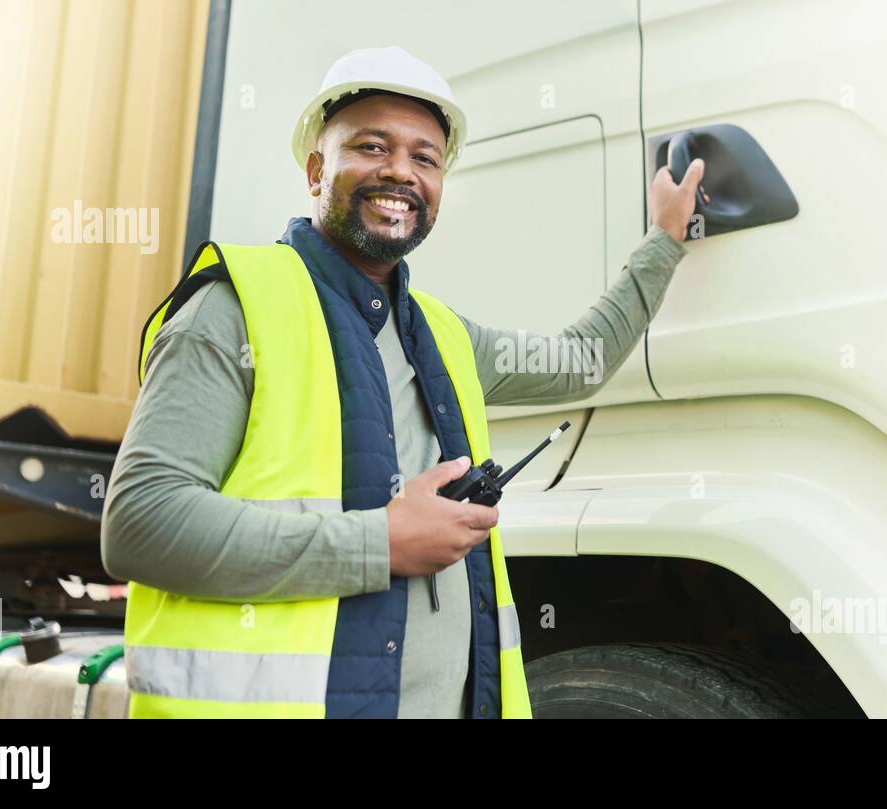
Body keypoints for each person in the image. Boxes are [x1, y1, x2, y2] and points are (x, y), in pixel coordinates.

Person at [100, 45, 704, 718]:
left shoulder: (444, 335)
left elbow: (581, 359)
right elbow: (140, 523)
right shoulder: (235, 306)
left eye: (425, 158)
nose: (400, 171)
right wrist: (379, 543)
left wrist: (665, 239)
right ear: (315, 168)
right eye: (372, 146)